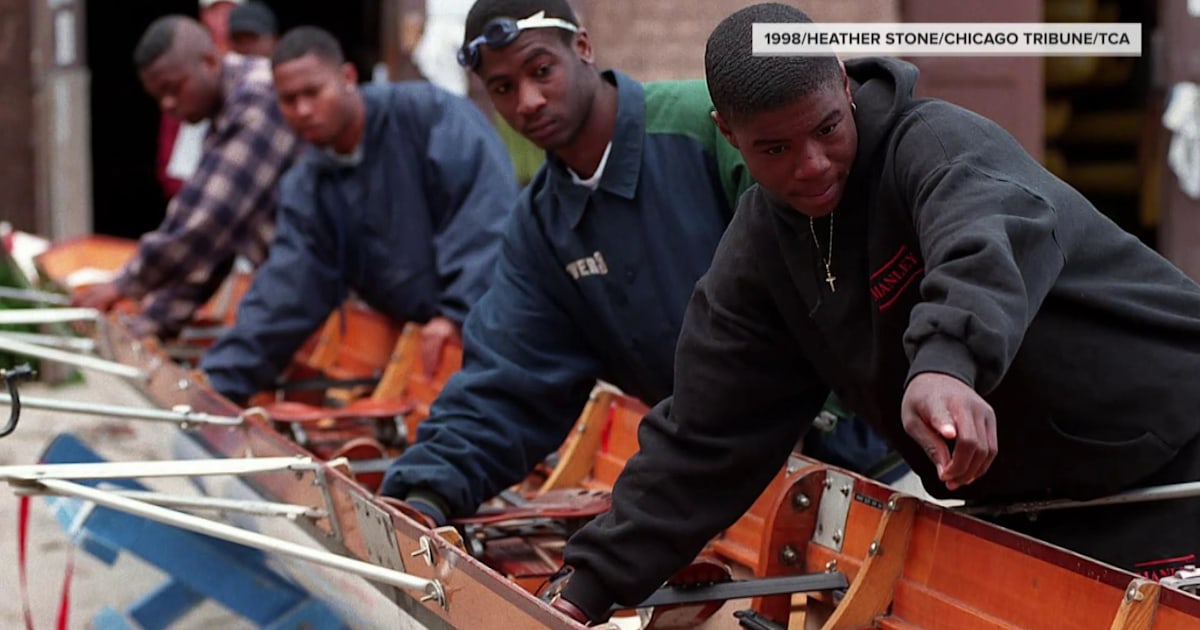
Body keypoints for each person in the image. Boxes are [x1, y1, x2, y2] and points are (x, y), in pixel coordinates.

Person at [548, 3, 1200, 624]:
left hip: (1174, 469)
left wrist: (946, 364)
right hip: (1034, 515)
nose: (811, 165)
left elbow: (983, 238)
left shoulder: (938, 144)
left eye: (827, 128)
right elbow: (704, 437)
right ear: (727, 131)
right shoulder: (761, 253)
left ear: (843, 82)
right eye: (773, 149)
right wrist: (589, 589)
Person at [379, 0, 905, 527]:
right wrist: (426, 495)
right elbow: (509, 383)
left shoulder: (716, 131)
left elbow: (825, 277)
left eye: (541, 71)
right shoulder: (542, 229)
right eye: (502, 88)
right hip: (746, 488)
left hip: (888, 461)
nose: (529, 101)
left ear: (583, 47)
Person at [198, 26, 516, 405]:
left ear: (347, 77)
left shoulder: (431, 116)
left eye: (313, 93)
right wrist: (214, 384)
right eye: (289, 100)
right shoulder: (307, 184)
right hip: (416, 344)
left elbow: (486, 214)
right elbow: (286, 289)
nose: (303, 110)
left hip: (493, 332)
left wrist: (457, 313)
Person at [75, 16, 300, 341]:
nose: (168, 105)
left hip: (338, 284)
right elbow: (213, 252)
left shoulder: (257, 97)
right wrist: (147, 330)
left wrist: (123, 285)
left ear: (209, 61)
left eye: (173, 89)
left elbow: (207, 221)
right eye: (159, 97)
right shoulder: (221, 113)